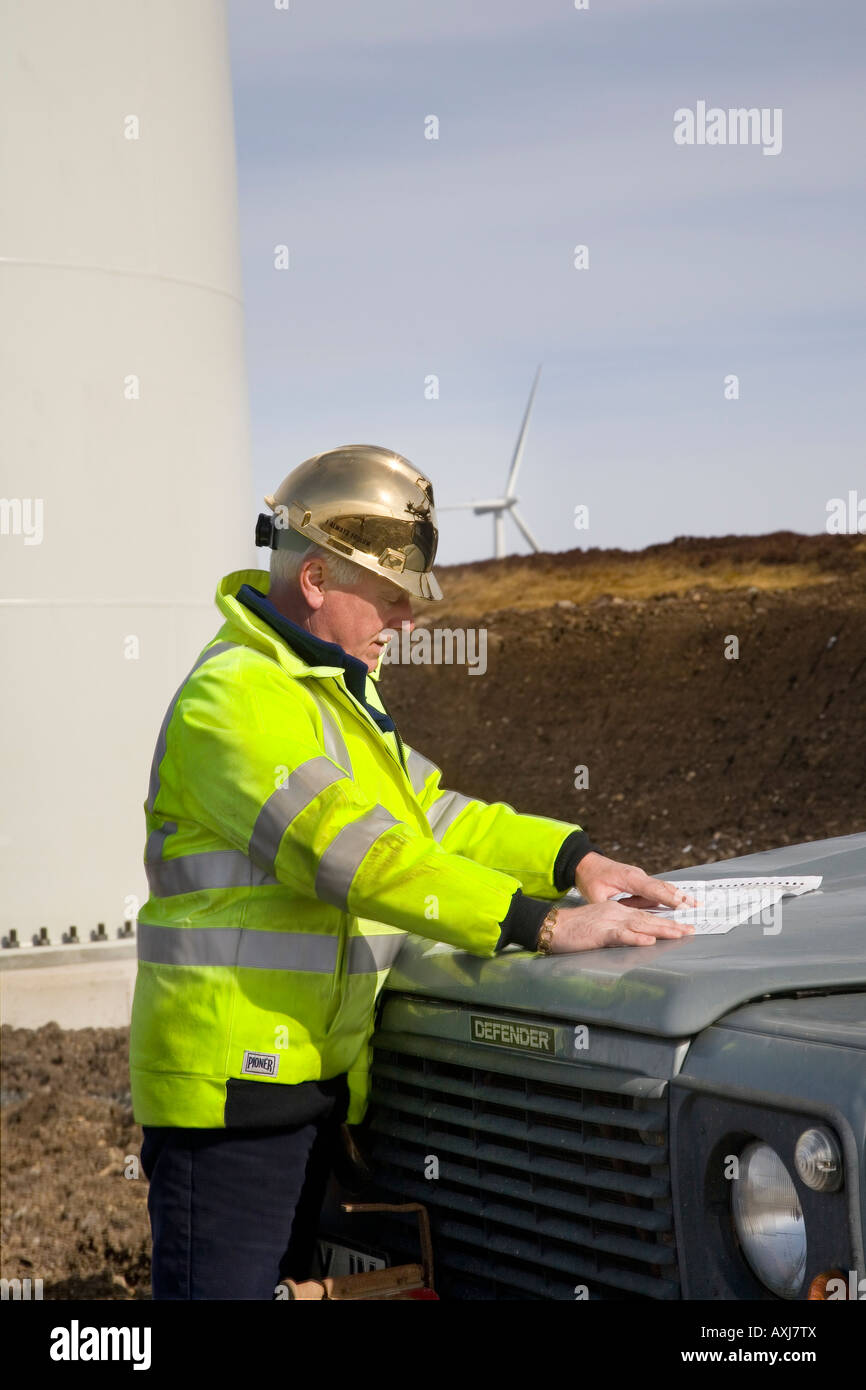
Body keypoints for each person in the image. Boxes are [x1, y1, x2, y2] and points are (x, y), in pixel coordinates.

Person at [130, 444, 695, 1299]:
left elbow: (433, 818)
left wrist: (571, 858)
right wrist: (535, 921)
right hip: (231, 1097)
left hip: (309, 1078)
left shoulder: (335, 692)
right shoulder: (236, 700)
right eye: (391, 599)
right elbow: (361, 857)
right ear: (316, 580)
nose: (407, 622)